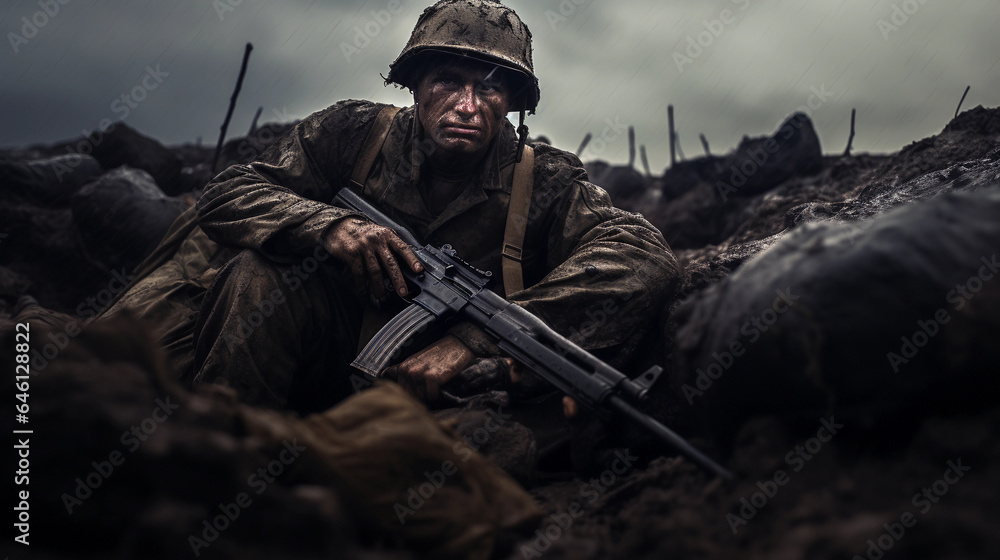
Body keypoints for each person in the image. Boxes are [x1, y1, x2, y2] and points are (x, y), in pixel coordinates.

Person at [100, 0, 680, 416]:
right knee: (255, 275)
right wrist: (330, 227)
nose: (468, 105)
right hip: (305, 347)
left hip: (421, 386)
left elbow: (642, 254)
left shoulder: (546, 179)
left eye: (491, 88)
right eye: (448, 81)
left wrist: (473, 345)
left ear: (513, 103)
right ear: (414, 84)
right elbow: (229, 195)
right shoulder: (350, 133)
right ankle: (218, 457)